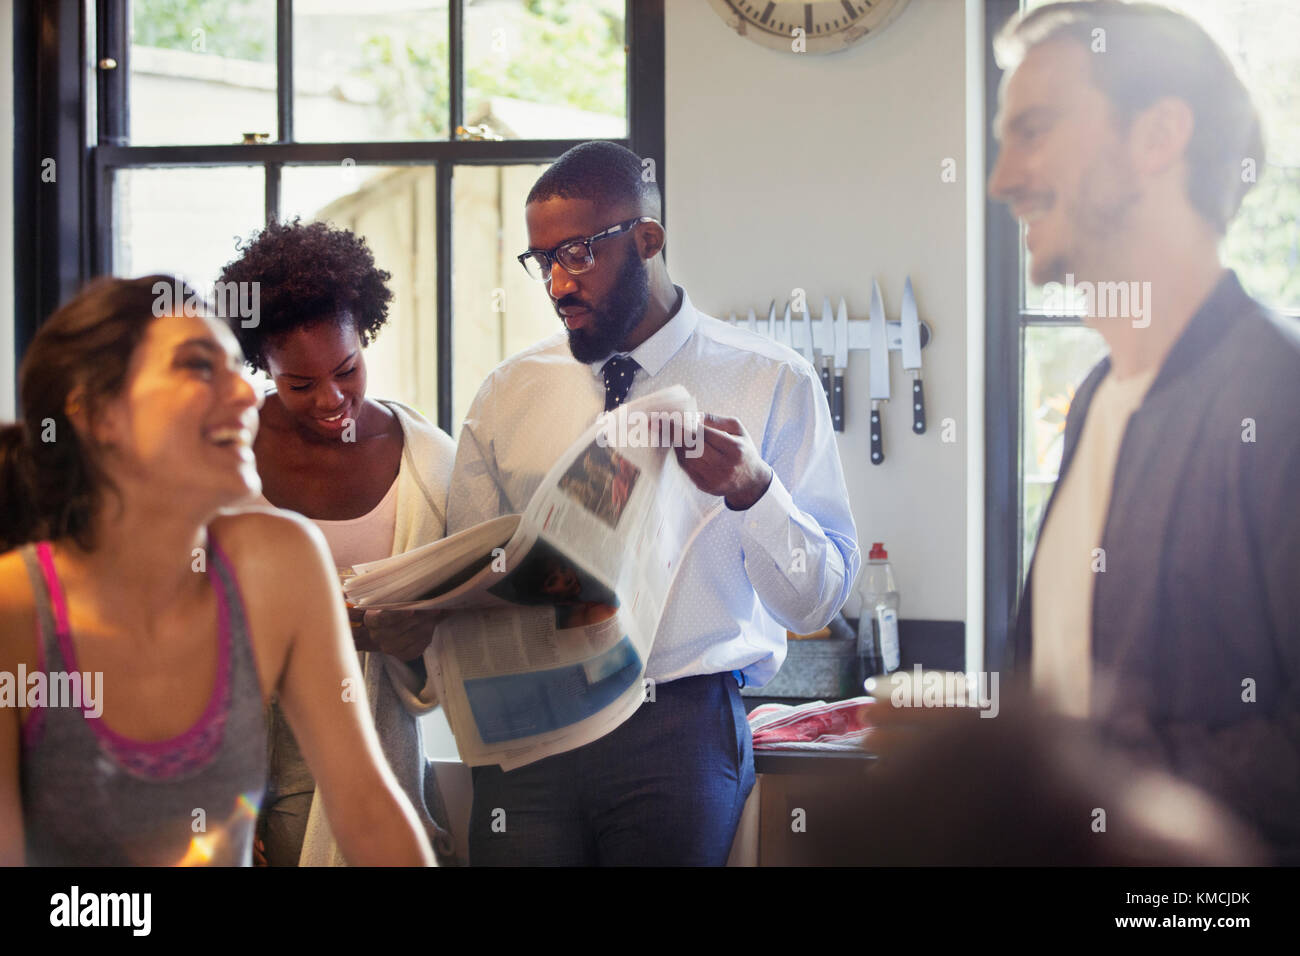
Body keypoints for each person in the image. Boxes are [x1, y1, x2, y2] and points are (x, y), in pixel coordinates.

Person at [449, 141, 860, 865]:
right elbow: (471, 569)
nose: (556, 284)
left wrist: (753, 491)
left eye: (576, 253)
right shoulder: (507, 396)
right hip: (531, 724)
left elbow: (814, 602)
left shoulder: (771, 382)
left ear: (647, 240)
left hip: (675, 731)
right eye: (540, 260)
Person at [989, 1, 1300, 863]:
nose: (1000, 177)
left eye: (1036, 129)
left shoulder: (1282, 396)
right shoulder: (1096, 401)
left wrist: (1072, 782)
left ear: (1159, 135)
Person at [0, 275, 432, 866]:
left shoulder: (281, 564)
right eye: (199, 367)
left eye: (234, 366)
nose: (241, 394)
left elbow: (366, 811)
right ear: (98, 414)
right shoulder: (15, 610)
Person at [218, 219, 458, 866]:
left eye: (347, 369)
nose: (332, 400)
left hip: (382, 739)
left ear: (365, 336)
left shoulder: (427, 467)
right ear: (263, 365)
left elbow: (455, 649)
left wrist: (412, 645)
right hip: (255, 752)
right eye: (300, 384)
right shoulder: (226, 456)